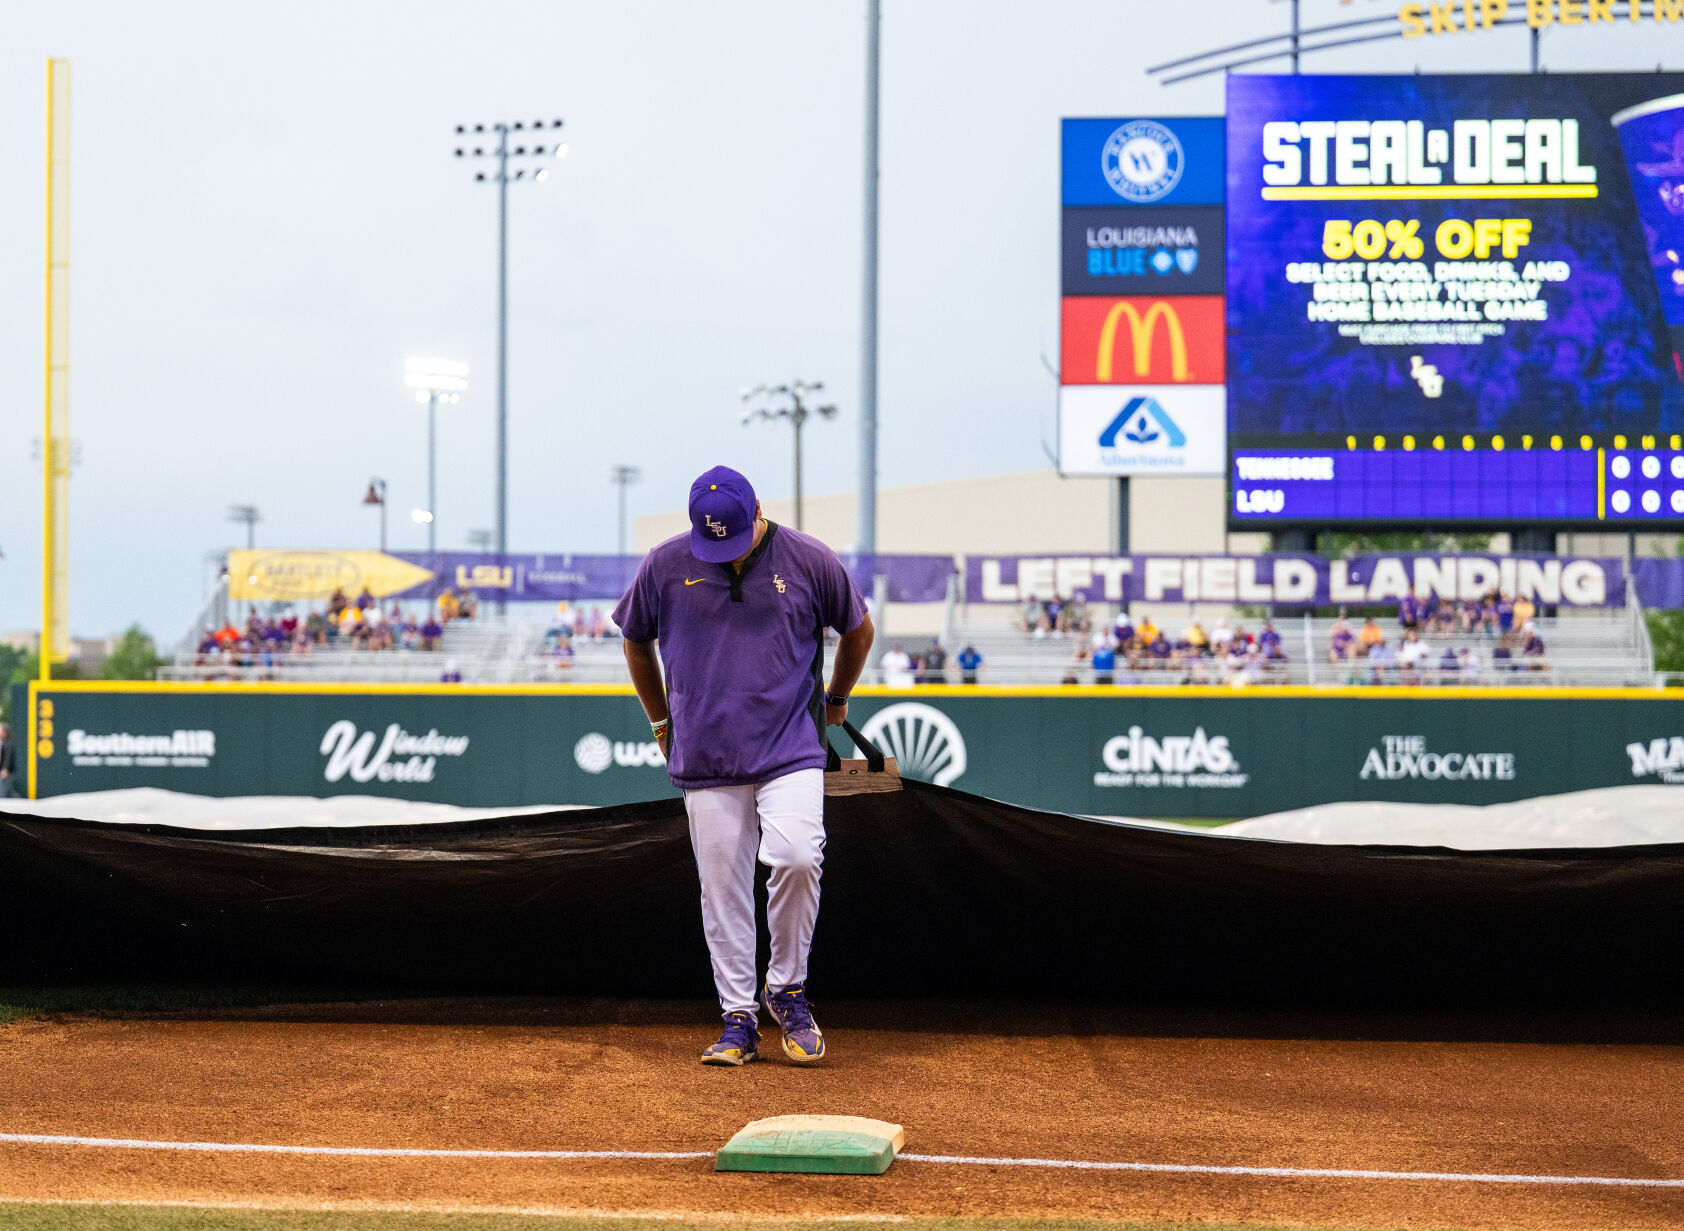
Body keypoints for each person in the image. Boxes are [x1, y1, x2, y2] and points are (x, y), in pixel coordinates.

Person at [616, 466, 874, 1068]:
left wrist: (837, 699)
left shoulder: (811, 559)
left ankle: (786, 989)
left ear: (759, 512)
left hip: (791, 746)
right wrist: (659, 721)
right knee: (722, 885)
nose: (724, 555)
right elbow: (635, 640)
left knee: (796, 856)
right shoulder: (663, 563)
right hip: (706, 752)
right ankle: (737, 1017)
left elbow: (857, 630)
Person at [0, 723, 17, 798]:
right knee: (10, 792)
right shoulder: (3, 742)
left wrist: (5, 769)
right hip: (5, 771)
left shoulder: (8, 743)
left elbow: (7, 757)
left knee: (4, 792)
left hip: (7, 771)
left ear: (5, 732)